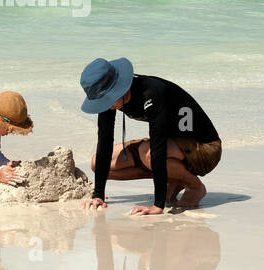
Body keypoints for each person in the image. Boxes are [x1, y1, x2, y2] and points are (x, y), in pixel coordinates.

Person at [79, 57, 221, 215]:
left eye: (106, 99)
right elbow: (105, 140)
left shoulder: (151, 92)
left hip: (205, 147)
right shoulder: (111, 102)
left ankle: (194, 186)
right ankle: (175, 178)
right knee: (97, 163)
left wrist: (157, 205)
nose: (105, 104)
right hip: (174, 146)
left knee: (147, 153)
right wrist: (98, 195)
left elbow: (157, 146)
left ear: (119, 88)